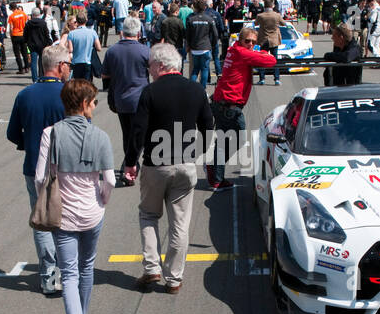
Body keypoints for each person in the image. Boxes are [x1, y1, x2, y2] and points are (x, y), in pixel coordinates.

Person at [36, 79, 115, 314]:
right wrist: (102, 200)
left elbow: (39, 177)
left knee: (67, 273)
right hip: (93, 212)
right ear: (83, 104)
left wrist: (47, 199)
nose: (95, 106)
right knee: (87, 266)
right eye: (93, 102)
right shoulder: (101, 137)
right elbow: (110, 180)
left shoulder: (51, 134)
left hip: (63, 215)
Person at [129, 44, 213, 294]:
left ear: (161, 65)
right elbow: (208, 125)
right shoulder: (196, 89)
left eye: (151, 66)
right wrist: (198, 151)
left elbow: (138, 130)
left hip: (156, 165)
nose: (149, 71)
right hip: (185, 164)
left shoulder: (150, 92)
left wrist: (131, 161)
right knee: (179, 224)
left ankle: (151, 267)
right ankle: (174, 278)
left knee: (148, 215)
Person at [8, 44, 70, 294]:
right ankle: (68, 274)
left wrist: (30, 143)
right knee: (66, 222)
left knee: (43, 222)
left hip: (35, 167)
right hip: (66, 168)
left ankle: (48, 277)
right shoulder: (70, 93)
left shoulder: (25, 95)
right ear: (61, 66)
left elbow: (13, 133)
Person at [207, 27, 275, 190]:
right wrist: (265, 54)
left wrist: (259, 53)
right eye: (247, 41)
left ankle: (216, 174)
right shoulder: (242, 53)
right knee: (239, 139)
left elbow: (256, 58)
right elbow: (270, 61)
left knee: (224, 140)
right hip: (229, 106)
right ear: (240, 40)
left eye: (253, 42)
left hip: (222, 102)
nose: (250, 44)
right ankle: (215, 170)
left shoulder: (234, 50)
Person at [103, 17, 151, 187]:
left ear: (122, 32)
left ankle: (129, 164)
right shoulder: (145, 51)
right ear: (138, 33)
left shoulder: (112, 51)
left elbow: (105, 75)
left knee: (127, 134)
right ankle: (130, 165)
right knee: (140, 134)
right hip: (141, 100)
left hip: (121, 99)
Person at [185, 0, 220, 87]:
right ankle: (202, 89)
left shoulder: (191, 19)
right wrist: (213, 44)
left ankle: (192, 88)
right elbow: (215, 35)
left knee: (195, 69)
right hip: (205, 48)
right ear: (204, 7)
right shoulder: (209, 19)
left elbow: (187, 35)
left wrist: (188, 46)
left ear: (196, 8)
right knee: (204, 69)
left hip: (195, 48)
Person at [254, 1, 283, 86]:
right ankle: (276, 79)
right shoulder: (277, 15)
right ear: (272, 6)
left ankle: (262, 79)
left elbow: (255, 23)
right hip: (274, 40)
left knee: (262, 59)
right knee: (275, 60)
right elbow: (283, 23)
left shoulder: (260, 16)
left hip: (264, 39)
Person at [66, 10, 99, 81]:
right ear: (86, 20)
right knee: (86, 83)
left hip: (76, 62)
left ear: (77, 21)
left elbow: (70, 49)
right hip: (87, 61)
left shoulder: (71, 34)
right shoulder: (92, 32)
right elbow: (98, 48)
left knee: (77, 83)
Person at [23, 7, 52, 82]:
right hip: (42, 44)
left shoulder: (28, 23)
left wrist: (26, 41)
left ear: (32, 14)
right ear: (39, 14)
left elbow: (25, 34)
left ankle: (34, 79)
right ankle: (41, 77)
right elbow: (46, 33)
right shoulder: (43, 23)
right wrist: (49, 42)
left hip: (32, 44)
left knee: (33, 62)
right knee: (41, 62)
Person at [8, 3, 29, 74]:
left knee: (17, 54)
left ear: (11, 8)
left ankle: (21, 69)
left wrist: (11, 36)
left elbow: (11, 28)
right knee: (24, 52)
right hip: (23, 34)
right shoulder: (23, 13)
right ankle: (27, 67)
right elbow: (27, 23)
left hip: (15, 35)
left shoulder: (11, 16)